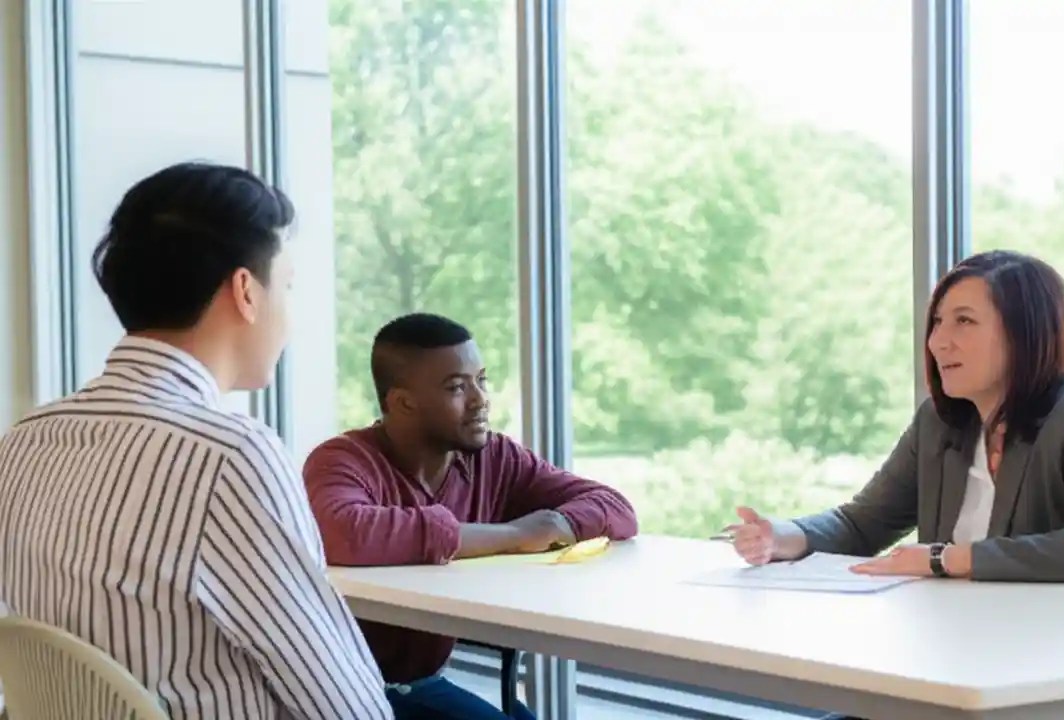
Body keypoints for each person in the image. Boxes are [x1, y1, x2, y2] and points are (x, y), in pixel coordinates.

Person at [0, 163, 393, 719]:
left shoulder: (23, 443)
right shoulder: (229, 457)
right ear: (245, 292)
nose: (288, 314)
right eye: (286, 286)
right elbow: (346, 707)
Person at [726, 250, 1064, 719]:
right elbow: (863, 523)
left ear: (1023, 334)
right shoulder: (939, 422)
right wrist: (784, 537)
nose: (939, 342)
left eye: (964, 322)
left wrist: (941, 559)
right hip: (972, 666)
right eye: (937, 322)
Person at [303, 312, 639, 720]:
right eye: (457, 387)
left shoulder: (495, 458)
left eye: (481, 379)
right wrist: (514, 535)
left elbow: (615, 507)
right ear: (402, 402)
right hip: (340, 689)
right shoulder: (341, 460)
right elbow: (345, 533)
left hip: (423, 682)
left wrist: (557, 526)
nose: (480, 399)